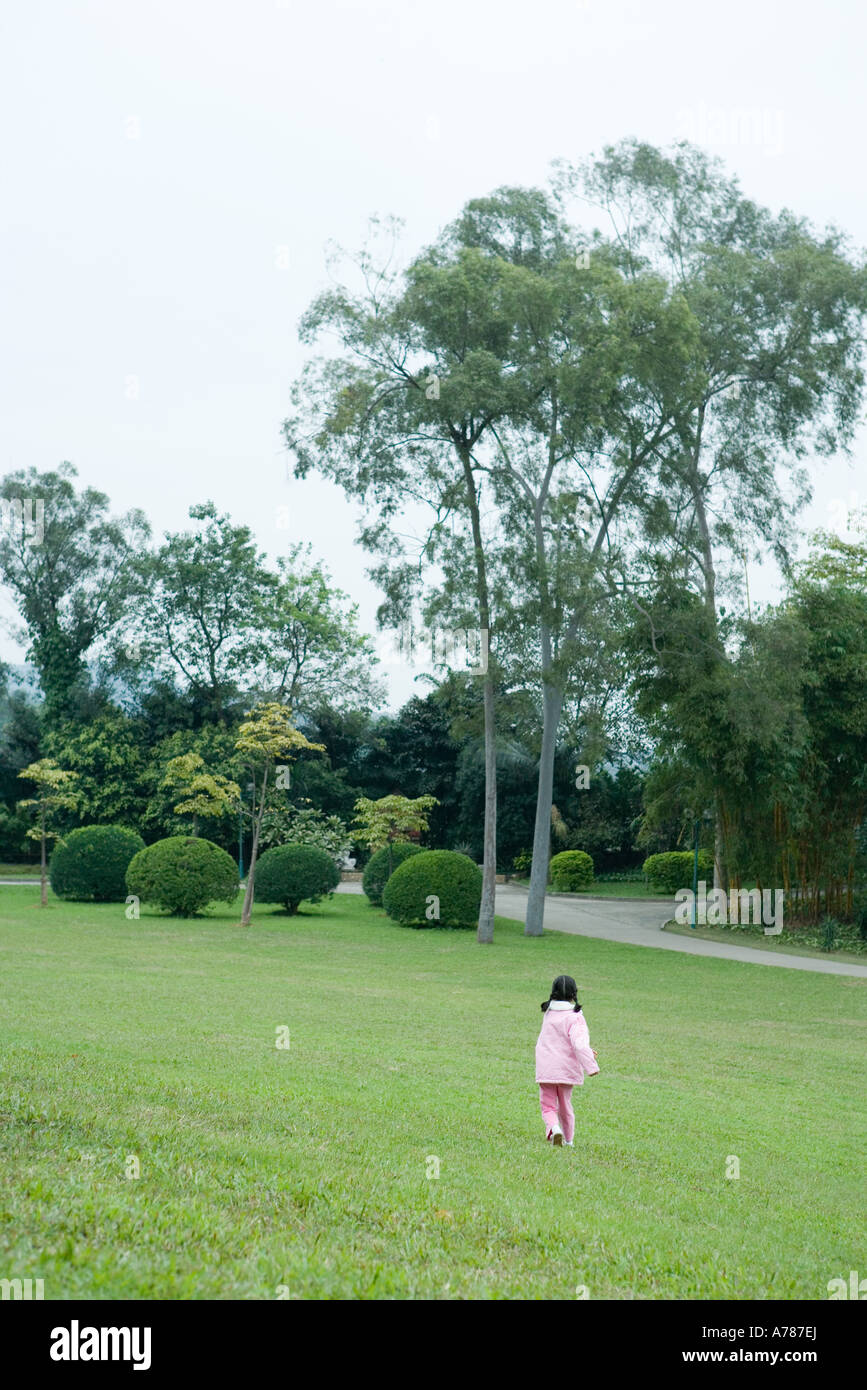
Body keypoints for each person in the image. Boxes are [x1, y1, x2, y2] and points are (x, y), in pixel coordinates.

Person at [535, 974, 599, 1146]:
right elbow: (578, 1044)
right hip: (565, 1069)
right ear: (573, 993)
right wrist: (591, 1065)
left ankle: (554, 1128)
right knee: (565, 1106)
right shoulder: (575, 1017)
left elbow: (554, 1040)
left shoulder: (548, 1013)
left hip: (546, 1067)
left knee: (548, 1106)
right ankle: (569, 1140)